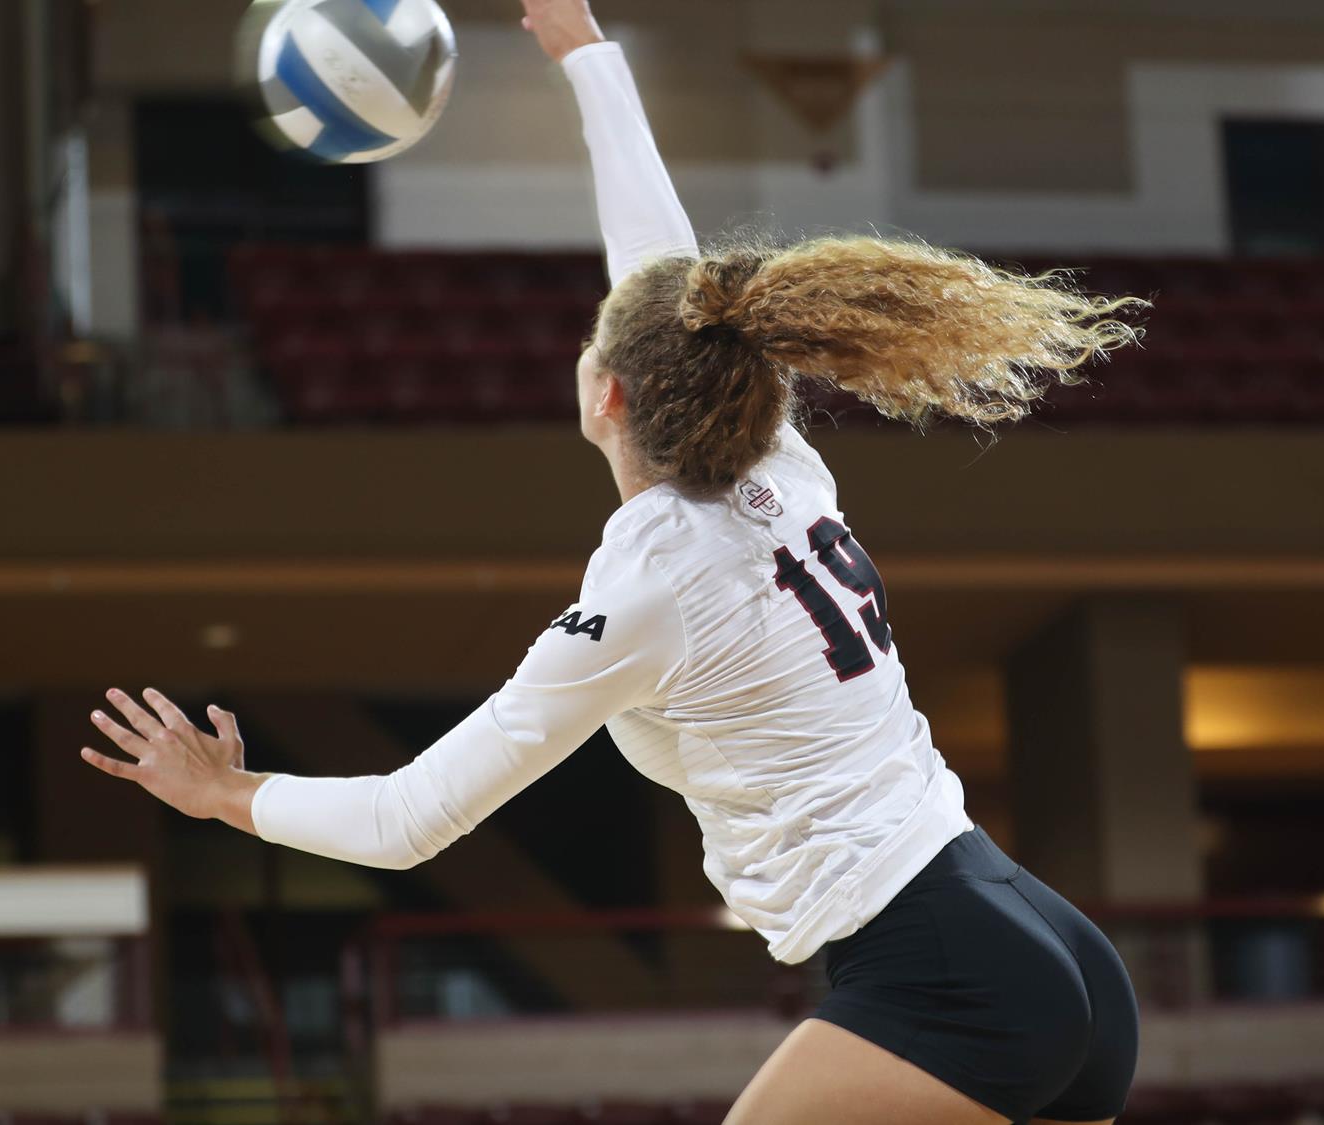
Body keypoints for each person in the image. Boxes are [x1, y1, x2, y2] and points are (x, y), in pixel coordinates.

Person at [80, 1, 1144, 1121]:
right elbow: (663, 277)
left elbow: (406, 821)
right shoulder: (775, 454)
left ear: (606, 397)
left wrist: (228, 794)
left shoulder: (651, 584)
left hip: (946, 972)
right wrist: (585, 52)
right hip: (1029, 928)